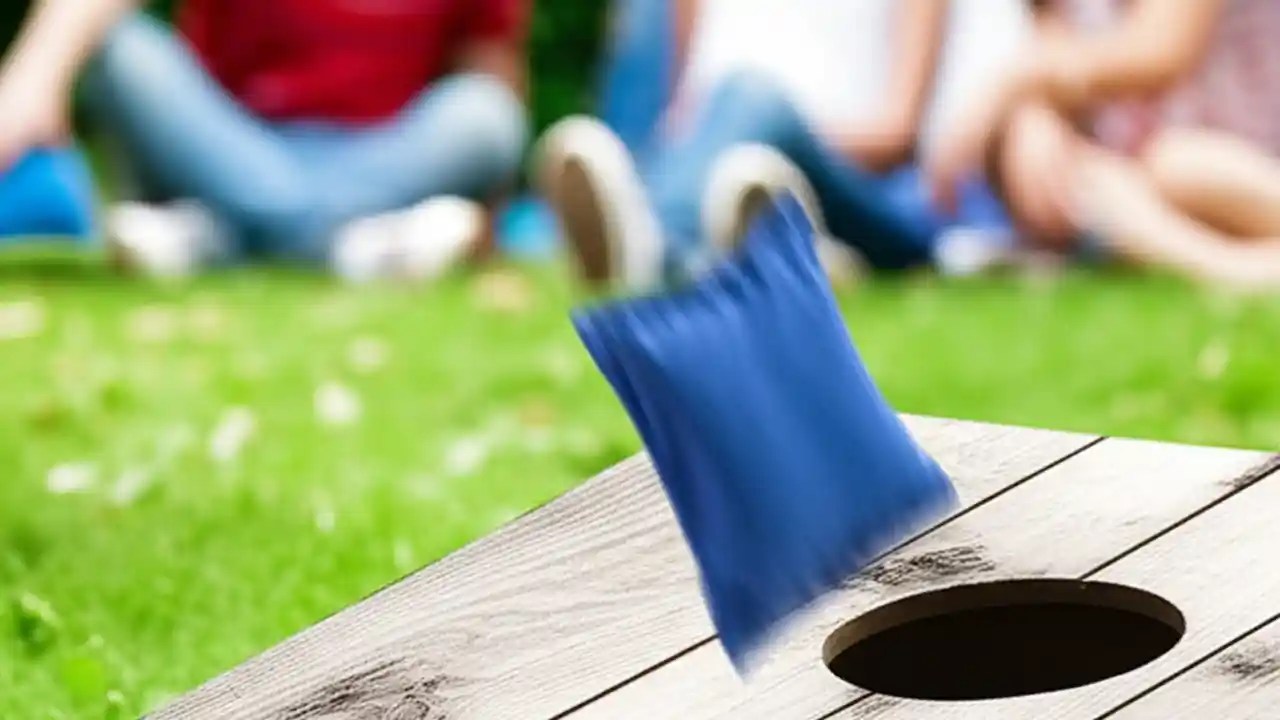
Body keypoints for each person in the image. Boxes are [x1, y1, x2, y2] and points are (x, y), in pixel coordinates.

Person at [0, 0, 529, 281]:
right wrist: (31, 80)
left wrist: (488, 221)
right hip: (226, 145)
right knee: (116, 48)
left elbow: (488, 64)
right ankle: (352, 248)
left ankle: (212, 239)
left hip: (379, 160)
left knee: (489, 114)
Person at [537, 0, 1033, 290]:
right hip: (724, 161)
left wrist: (775, 125)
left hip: (859, 187)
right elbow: (680, 106)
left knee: (751, 100)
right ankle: (738, 244)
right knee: (743, 159)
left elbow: (896, 136)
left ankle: (658, 246)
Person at [929, 0, 1280, 291]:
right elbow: (1050, 44)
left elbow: (1162, 52)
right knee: (1090, 179)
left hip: (1241, 156)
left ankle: (1234, 270)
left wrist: (1011, 85)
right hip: (1133, 169)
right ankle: (1238, 264)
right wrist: (1035, 118)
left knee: (1180, 165)